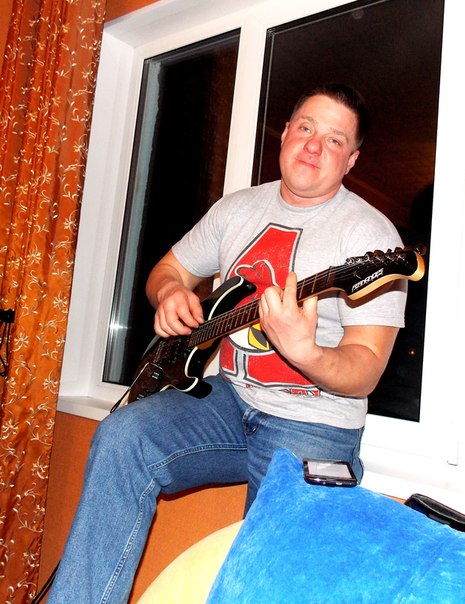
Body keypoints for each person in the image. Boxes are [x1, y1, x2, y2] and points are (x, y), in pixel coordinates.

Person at [47, 83, 406, 602]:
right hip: (230, 399)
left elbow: (366, 368)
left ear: (351, 160)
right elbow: (167, 270)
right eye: (305, 128)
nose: (313, 146)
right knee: (123, 437)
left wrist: (305, 351)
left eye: (334, 140)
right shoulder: (236, 209)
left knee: (262, 576)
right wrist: (170, 292)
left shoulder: (372, 237)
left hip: (315, 420)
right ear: (284, 133)